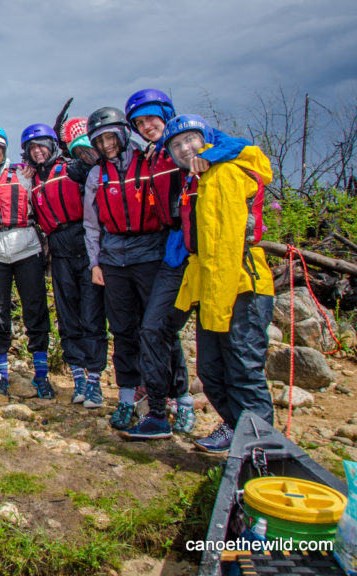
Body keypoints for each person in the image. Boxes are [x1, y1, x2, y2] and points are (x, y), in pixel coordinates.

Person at [120, 90, 250, 440]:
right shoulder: (151, 156)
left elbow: (244, 149)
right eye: (141, 123)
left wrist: (209, 155)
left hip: (215, 257)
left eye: (152, 119)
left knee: (227, 345)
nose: (147, 126)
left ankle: (235, 424)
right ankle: (159, 414)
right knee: (153, 328)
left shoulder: (197, 141)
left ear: (166, 114)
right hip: (175, 251)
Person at [162, 114, 275, 453]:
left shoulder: (227, 170)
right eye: (176, 145)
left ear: (207, 140)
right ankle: (237, 427)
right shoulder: (193, 181)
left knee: (243, 367)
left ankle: (260, 450)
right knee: (211, 370)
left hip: (242, 282)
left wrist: (216, 153)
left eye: (190, 140)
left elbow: (251, 157)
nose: (184, 148)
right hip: (212, 285)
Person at [82, 107, 166, 431]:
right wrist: (95, 263)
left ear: (121, 133)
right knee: (123, 330)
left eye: (110, 136)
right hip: (114, 258)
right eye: (100, 140)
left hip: (150, 253)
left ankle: (172, 398)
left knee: (158, 330)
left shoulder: (149, 159)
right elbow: (92, 226)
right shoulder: (95, 176)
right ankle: (127, 398)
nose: (107, 144)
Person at [24, 120, 108, 407]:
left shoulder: (73, 166)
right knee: (67, 313)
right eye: (32, 148)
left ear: (52, 146)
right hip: (57, 246)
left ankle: (95, 379)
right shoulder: (31, 177)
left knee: (92, 314)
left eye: (41, 146)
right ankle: (78, 378)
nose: (37, 152)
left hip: (84, 241)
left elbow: (97, 174)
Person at [0, 124, 52, 398]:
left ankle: (41, 374)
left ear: (4, 148)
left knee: (35, 309)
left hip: (26, 246)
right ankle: (2, 375)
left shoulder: (22, 173)